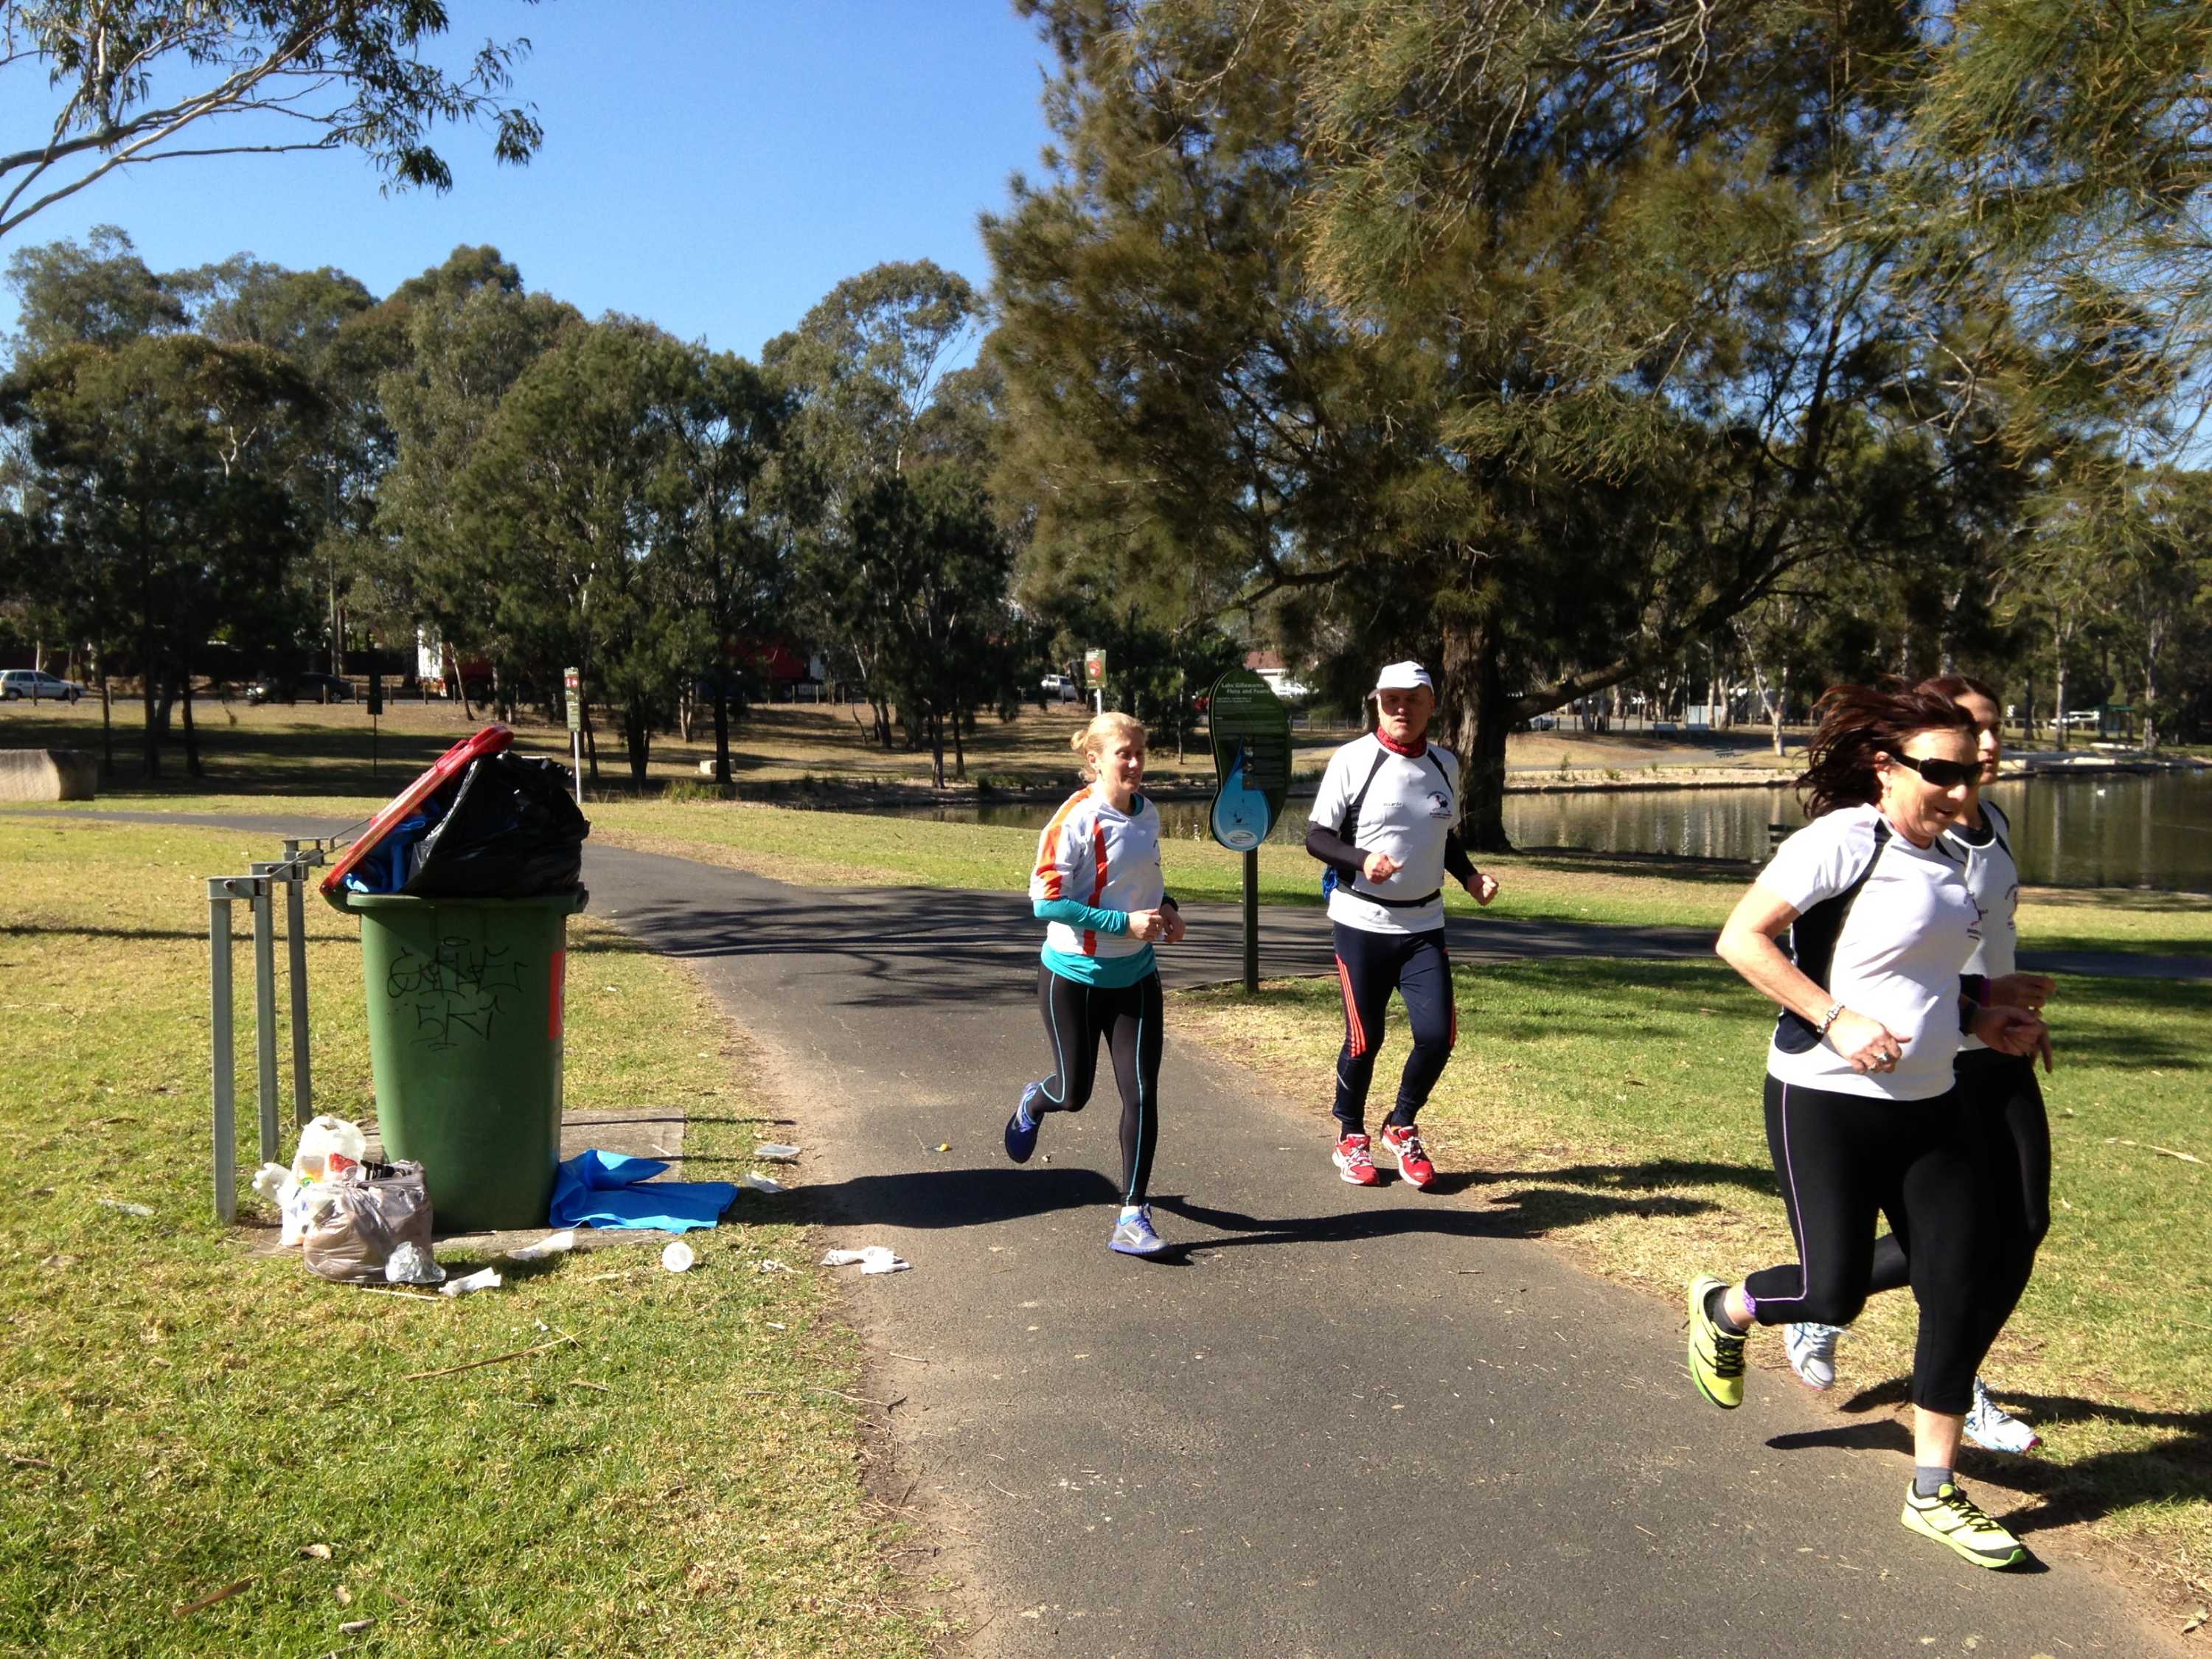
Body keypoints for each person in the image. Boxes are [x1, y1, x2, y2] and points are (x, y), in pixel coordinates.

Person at [1685, 684, 2051, 1570]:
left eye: (1970, 775)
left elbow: (1924, 979)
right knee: (1834, 1292)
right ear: (1886, 769)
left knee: (1957, 1282)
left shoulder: (1953, 858)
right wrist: (1833, 1017)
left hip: (1932, 1105)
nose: (1962, 793)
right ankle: (1725, 1307)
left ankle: (1935, 1490)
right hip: (1822, 1096)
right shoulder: (1845, 840)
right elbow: (1743, 941)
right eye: (1942, 774)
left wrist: (1984, 1017)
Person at [1783, 675, 2055, 1455]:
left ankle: (1880, 1332)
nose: (1986, 748)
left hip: (1998, 1046)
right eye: (1970, 734)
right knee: (1960, 1240)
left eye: (1992, 733)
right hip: (1939, 1058)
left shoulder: (1992, 823)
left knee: (2023, 1224)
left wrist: (2009, 1005)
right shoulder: (1893, 834)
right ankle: (1945, 1381)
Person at [1303, 661, 1499, 1189]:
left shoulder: (1444, 765)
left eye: (1412, 699)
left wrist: (1470, 877)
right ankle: (1350, 1135)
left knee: (1437, 1036)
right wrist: (1360, 859)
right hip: (1360, 919)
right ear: (1377, 703)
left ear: (1431, 705)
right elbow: (1317, 837)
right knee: (1365, 1040)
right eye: (1390, 698)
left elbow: (1444, 836)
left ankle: (1401, 1122)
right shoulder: (1353, 760)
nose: (1400, 708)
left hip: (1424, 925)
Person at [1005, 712, 1184, 1256]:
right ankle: (1036, 1101)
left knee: (1143, 1092)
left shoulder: (1148, 813)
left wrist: (1168, 909)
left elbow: (1142, 881)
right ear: (1095, 760)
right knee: (1074, 1093)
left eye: (1139, 753)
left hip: (1137, 977)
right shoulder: (1074, 820)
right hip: (1073, 978)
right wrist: (1120, 925)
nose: (1133, 763)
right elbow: (1045, 902)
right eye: (1122, 753)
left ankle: (1133, 1215)